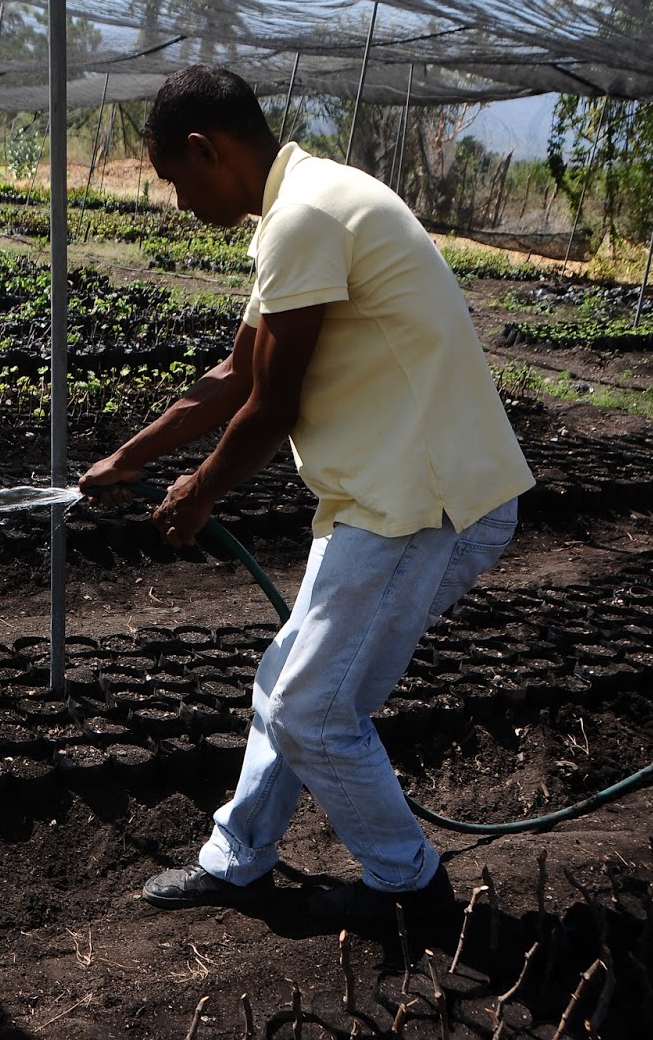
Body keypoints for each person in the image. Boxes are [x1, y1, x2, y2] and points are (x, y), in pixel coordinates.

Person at [78, 65, 534, 931]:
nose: (180, 205)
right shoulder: (308, 203)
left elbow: (271, 405)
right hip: (387, 494)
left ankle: (410, 888)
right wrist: (130, 457)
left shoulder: (308, 217)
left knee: (314, 709)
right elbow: (237, 371)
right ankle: (238, 857)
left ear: (207, 150)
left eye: (178, 181)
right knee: (290, 685)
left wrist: (199, 494)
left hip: (417, 505)